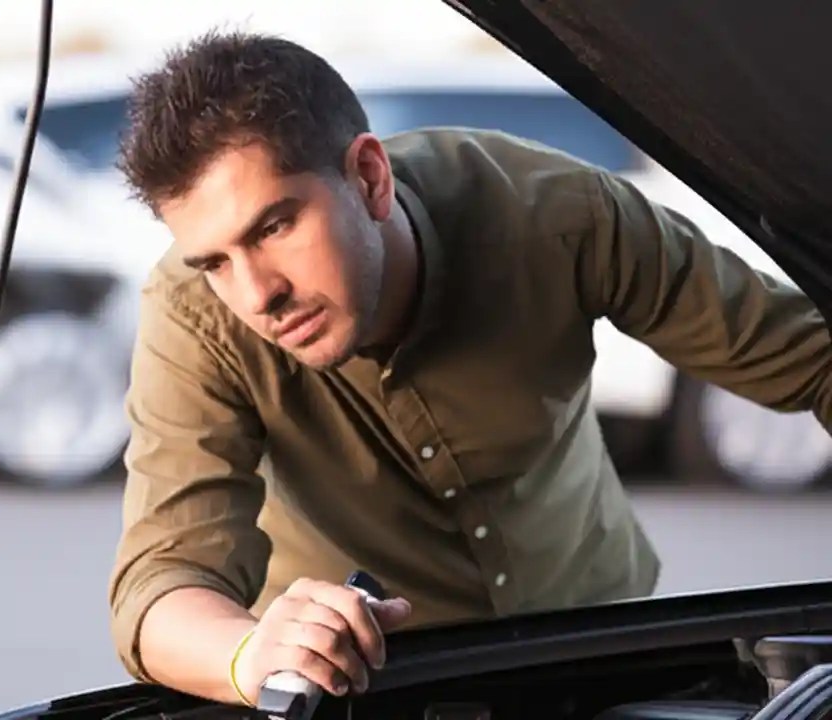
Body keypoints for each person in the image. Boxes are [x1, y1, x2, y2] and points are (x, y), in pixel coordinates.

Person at [105, 29, 832, 708]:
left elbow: (814, 359)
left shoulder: (560, 217)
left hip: (609, 652)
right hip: (382, 690)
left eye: (274, 226)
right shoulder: (196, 316)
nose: (257, 293)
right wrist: (249, 654)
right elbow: (161, 587)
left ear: (368, 175)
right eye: (215, 261)